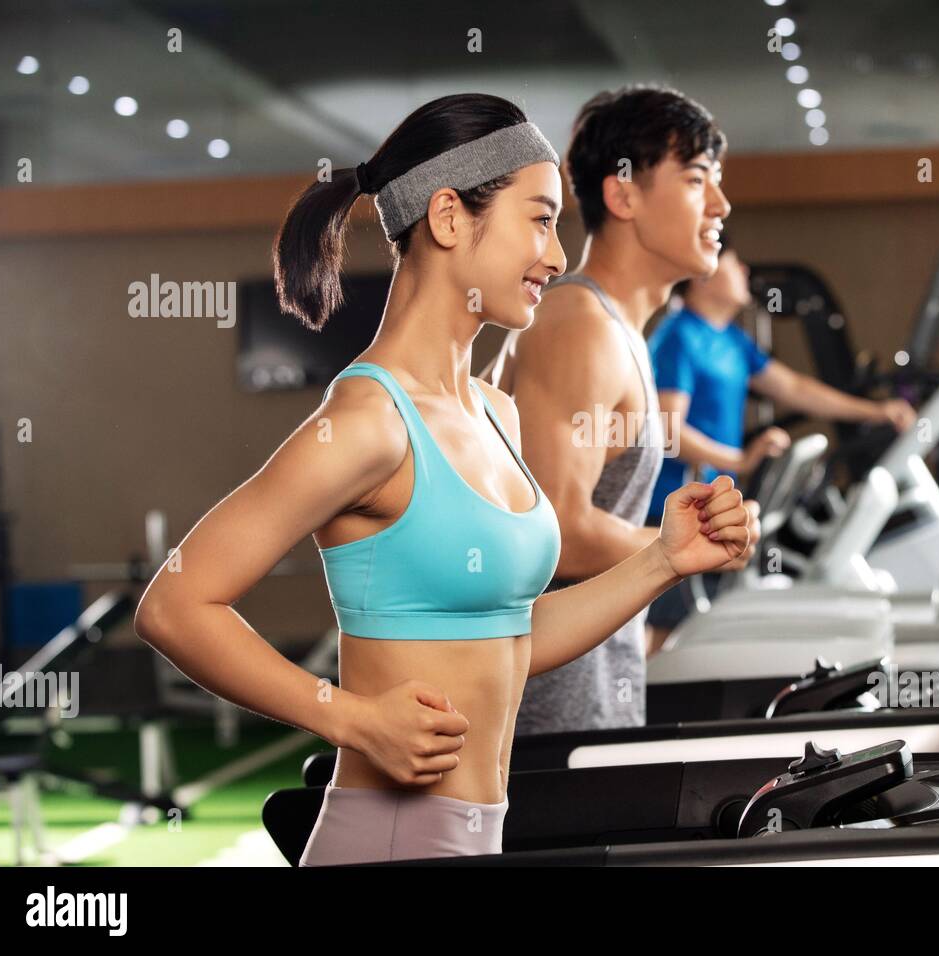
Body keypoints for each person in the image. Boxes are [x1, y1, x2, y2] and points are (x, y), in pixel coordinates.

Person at [132, 93, 750, 865]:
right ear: (451, 218)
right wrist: (351, 718)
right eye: (539, 219)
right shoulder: (367, 421)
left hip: (477, 833)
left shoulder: (494, 410)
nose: (556, 257)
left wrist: (665, 559)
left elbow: (512, 638)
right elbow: (176, 605)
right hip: (390, 840)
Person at [488, 85, 759, 735]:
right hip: (542, 726)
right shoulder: (580, 324)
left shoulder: (619, 331)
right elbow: (554, 534)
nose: (720, 204)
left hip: (587, 698)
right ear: (623, 193)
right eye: (697, 180)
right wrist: (686, 546)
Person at [643, 239, 917, 646]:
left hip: (711, 509)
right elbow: (667, 431)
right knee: (668, 636)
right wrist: (739, 461)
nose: (747, 274)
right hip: (670, 512)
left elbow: (795, 387)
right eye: (736, 264)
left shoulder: (730, 340)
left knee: (694, 631)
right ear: (703, 275)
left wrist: (875, 412)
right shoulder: (678, 339)